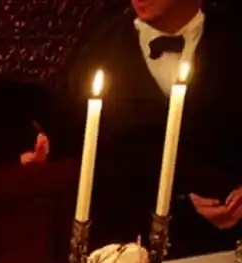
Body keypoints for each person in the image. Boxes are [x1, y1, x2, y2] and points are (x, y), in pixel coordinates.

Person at [59, 0, 242, 250]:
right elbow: (81, 148)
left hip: (228, 247)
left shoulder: (232, 39)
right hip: (128, 244)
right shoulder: (97, 50)